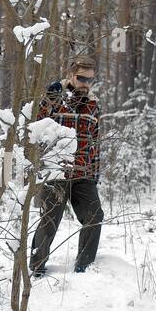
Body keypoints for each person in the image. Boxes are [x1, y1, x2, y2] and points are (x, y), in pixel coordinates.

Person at [29, 54, 104, 277]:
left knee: (94, 215)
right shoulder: (55, 96)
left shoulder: (93, 104)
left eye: (90, 79)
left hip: (83, 173)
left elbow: (95, 140)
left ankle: (84, 265)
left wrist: (94, 172)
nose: (86, 83)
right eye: (82, 78)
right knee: (50, 220)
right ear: (71, 74)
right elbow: (36, 125)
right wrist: (49, 99)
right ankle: (37, 267)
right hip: (56, 170)